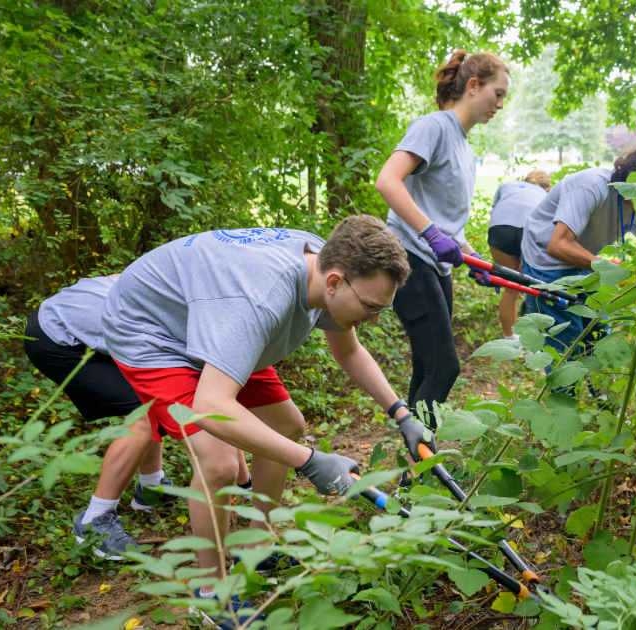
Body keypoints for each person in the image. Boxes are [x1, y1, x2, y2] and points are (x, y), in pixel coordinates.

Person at [100, 216, 434, 628]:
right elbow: (210, 404)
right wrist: (309, 460)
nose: (374, 318)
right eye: (371, 308)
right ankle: (211, 595)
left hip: (213, 319)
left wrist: (402, 414)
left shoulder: (327, 267)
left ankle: (258, 545)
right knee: (219, 463)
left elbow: (348, 352)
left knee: (287, 425)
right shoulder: (261, 299)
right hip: (155, 332)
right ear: (333, 282)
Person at [25, 277, 254, 560]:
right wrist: (241, 485)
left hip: (86, 317)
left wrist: (244, 484)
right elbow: (210, 413)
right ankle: (94, 521)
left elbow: (216, 407)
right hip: (56, 335)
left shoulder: (190, 309)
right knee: (144, 415)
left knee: (151, 402)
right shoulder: (179, 331)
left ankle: (152, 489)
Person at [375, 50, 509, 429]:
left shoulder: (466, 149)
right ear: (473, 85)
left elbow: (447, 221)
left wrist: (474, 257)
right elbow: (387, 181)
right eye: (498, 93)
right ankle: (421, 454)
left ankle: (413, 458)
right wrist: (429, 232)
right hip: (408, 258)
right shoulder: (433, 127)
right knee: (445, 367)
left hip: (435, 266)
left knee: (428, 366)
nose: (500, 104)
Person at [519, 143, 636, 356]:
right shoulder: (591, 186)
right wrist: (613, 270)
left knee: (599, 332)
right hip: (547, 260)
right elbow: (558, 246)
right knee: (566, 343)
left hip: (582, 255)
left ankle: (596, 377)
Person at [487, 170, 550, 341]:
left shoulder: (507, 185)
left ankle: (510, 339)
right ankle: (537, 339)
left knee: (511, 288)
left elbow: (496, 209)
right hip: (528, 229)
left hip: (499, 229)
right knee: (537, 284)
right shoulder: (544, 194)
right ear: (547, 188)